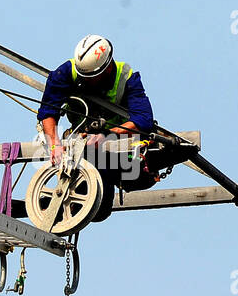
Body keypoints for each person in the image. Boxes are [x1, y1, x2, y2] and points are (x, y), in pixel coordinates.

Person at [37, 34, 155, 220]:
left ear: (106, 69)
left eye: (91, 77)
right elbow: (47, 112)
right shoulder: (66, 72)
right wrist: (54, 144)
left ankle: (76, 205)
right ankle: (59, 207)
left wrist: (109, 134)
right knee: (90, 192)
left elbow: (144, 119)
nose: (86, 81)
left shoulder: (127, 78)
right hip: (81, 141)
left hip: (114, 147)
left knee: (100, 206)